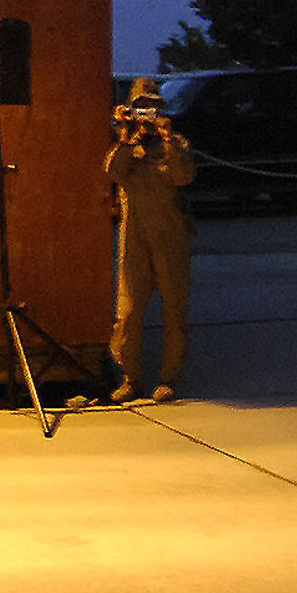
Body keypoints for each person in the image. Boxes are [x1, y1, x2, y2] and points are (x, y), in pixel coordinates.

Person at [96, 84, 196, 403]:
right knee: (128, 311)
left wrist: (167, 140)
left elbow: (183, 177)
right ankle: (130, 376)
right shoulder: (126, 145)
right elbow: (112, 172)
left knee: (174, 308)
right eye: (141, 108)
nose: (147, 115)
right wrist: (128, 138)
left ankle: (168, 377)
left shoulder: (175, 144)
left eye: (152, 108)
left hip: (170, 235)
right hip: (134, 236)